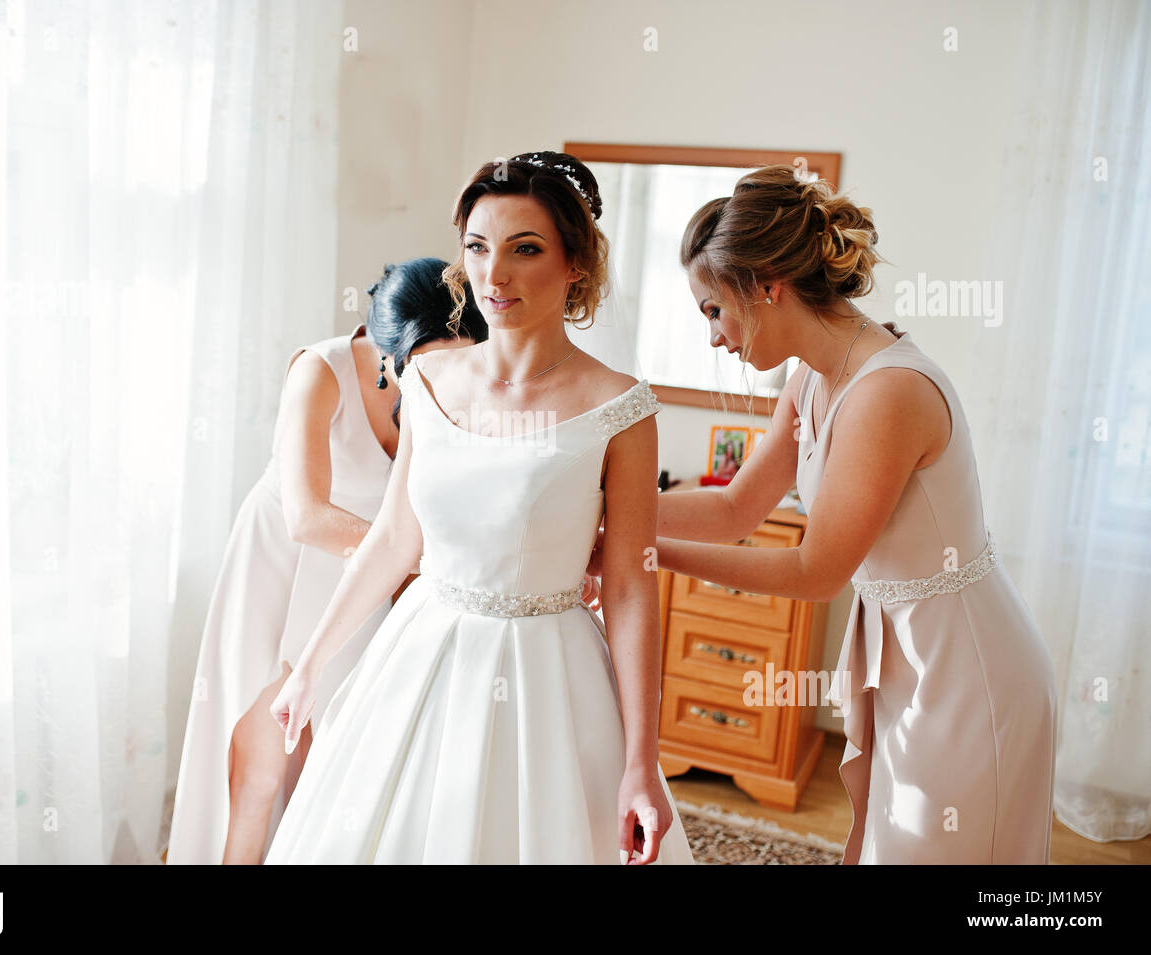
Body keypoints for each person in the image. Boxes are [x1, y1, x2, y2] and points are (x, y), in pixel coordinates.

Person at [614, 165, 1056, 863]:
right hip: (905, 657)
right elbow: (735, 507)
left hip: (966, 671)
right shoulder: (811, 378)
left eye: (712, 309)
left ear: (766, 285)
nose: (714, 337)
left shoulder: (890, 392)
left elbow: (816, 571)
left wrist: (640, 550)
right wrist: (618, 511)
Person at [261, 151, 694, 864]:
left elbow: (629, 586)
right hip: (421, 653)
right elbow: (397, 540)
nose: (496, 275)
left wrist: (641, 761)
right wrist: (308, 665)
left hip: (548, 675)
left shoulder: (621, 407)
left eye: (527, 249)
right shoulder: (430, 377)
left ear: (576, 263)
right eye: (478, 247)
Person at [166, 258, 486, 864]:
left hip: (360, 582)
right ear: (393, 352)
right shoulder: (320, 370)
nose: (447, 380)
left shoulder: (459, 381)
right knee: (259, 769)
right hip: (280, 568)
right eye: (432, 365)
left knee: (331, 768)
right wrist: (421, 562)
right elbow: (306, 516)